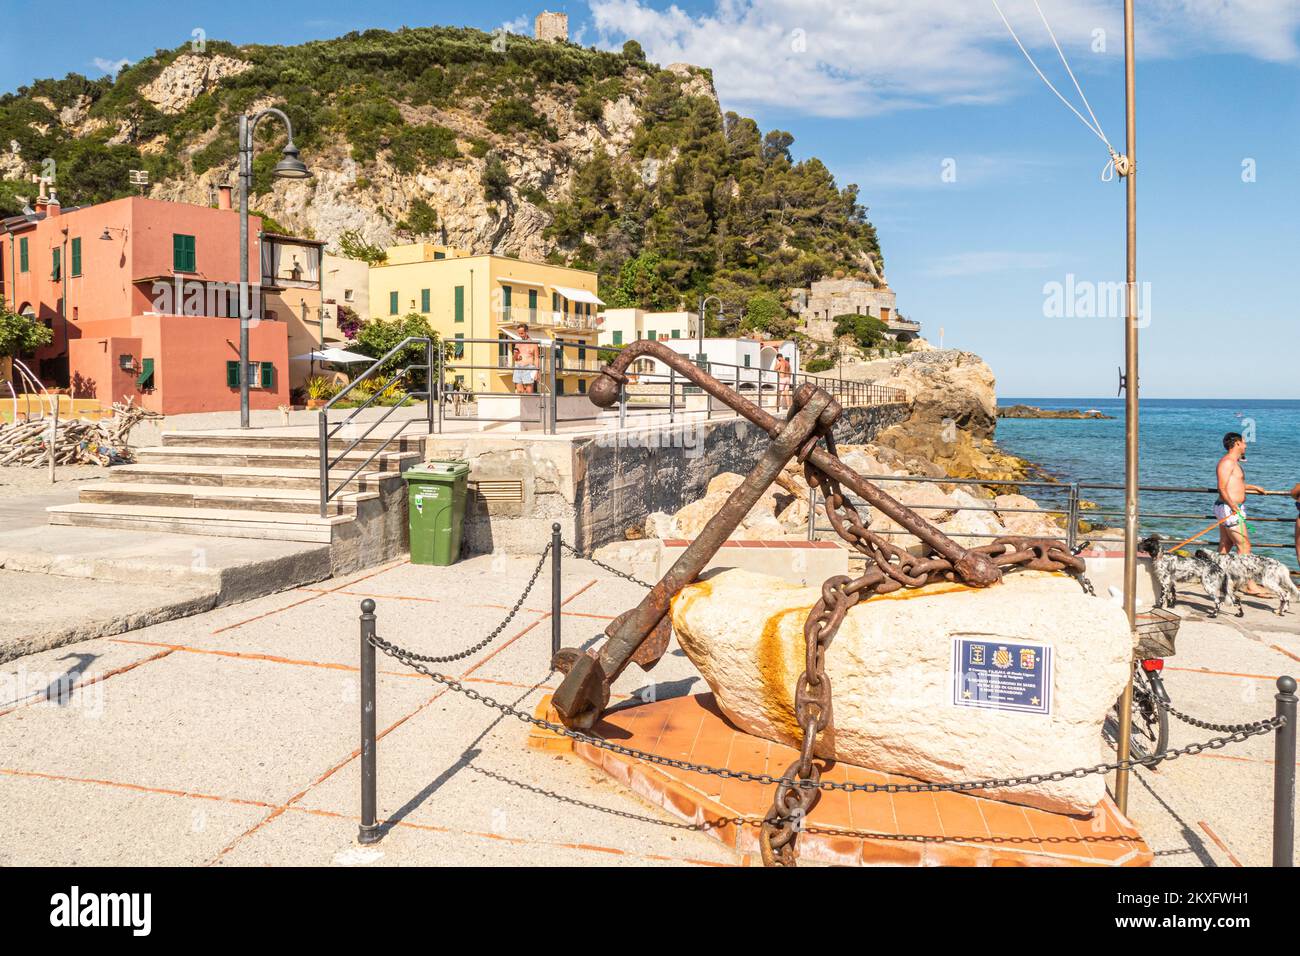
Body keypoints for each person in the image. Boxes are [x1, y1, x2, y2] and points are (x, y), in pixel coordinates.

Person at [1216, 431, 1271, 595]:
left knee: (1226, 544)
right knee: (1245, 546)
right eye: (1244, 442)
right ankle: (1249, 585)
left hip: (1229, 508)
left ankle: (1218, 579)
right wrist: (1233, 507)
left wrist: (1254, 487)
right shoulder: (1227, 463)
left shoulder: (1233, 462)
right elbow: (1222, 488)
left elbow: (1235, 485)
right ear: (1237, 443)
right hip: (1230, 509)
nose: (1246, 445)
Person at [511, 323, 539, 395]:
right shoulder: (518, 343)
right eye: (519, 333)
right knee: (519, 391)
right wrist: (515, 355)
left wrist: (537, 371)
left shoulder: (533, 343)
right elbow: (515, 359)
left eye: (522, 333)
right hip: (518, 367)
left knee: (529, 392)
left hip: (529, 368)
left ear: (526, 331)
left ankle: (530, 406)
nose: (520, 335)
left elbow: (536, 358)